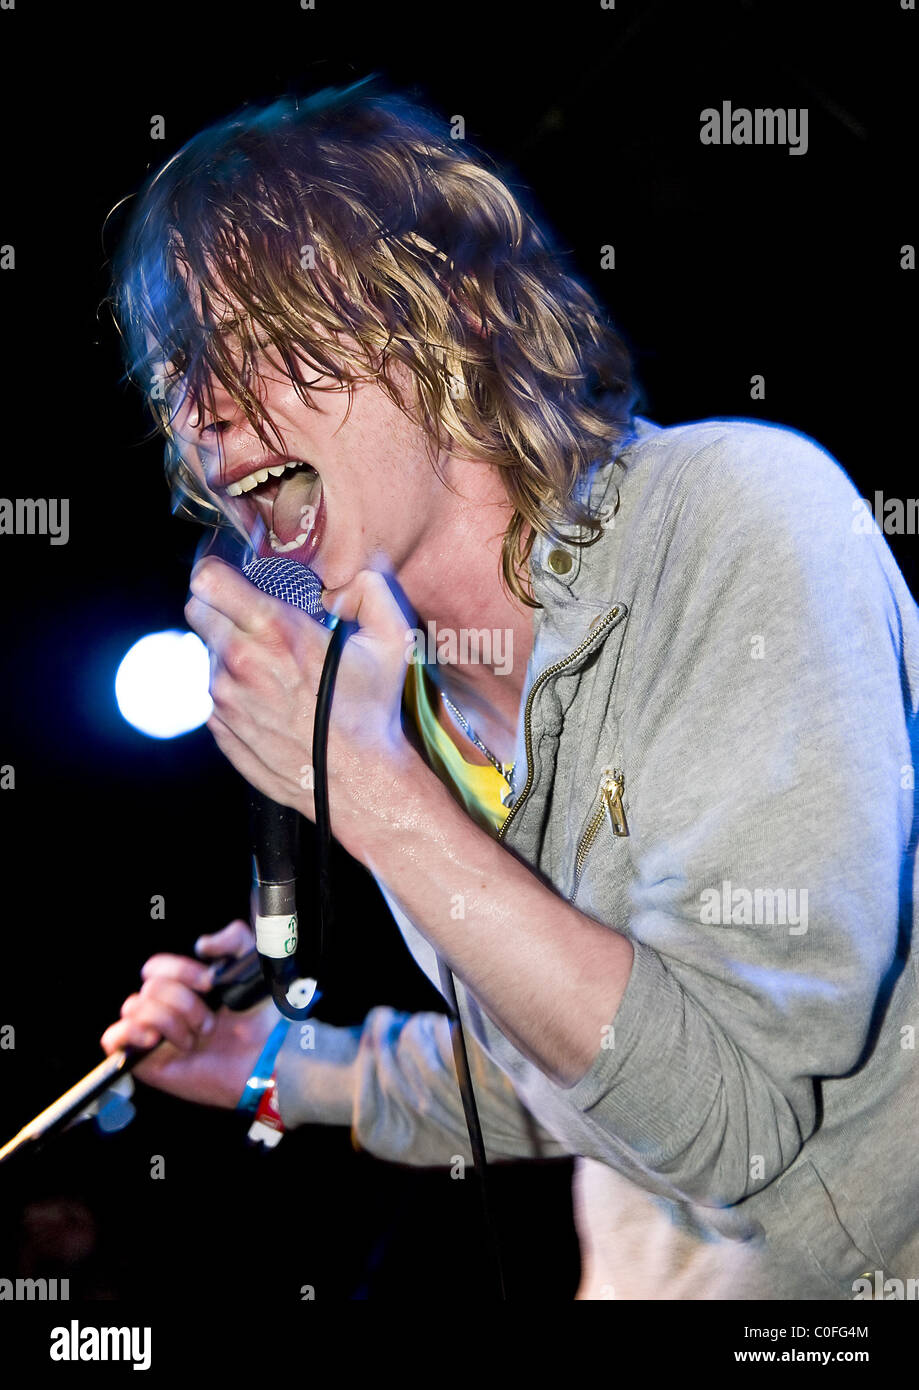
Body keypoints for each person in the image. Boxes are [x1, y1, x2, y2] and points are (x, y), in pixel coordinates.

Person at [100, 78, 919, 1300]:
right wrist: (270, 1063)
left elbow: (735, 1114)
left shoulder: (735, 515)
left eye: (251, 341)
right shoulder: (408, 710)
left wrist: (380, 809)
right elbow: (566, 1063)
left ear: (439, 312)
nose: (205, 419)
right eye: (177, 374)